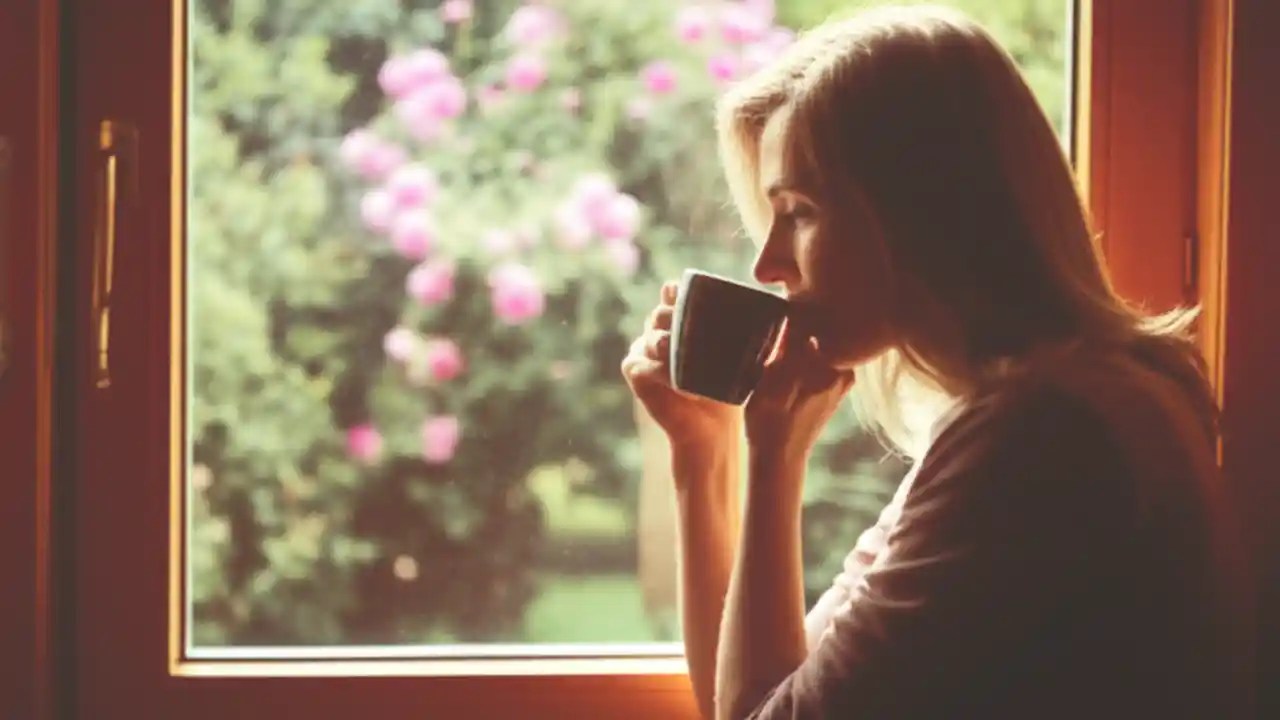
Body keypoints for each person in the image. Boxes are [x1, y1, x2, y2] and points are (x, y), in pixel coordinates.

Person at [620, 5, 1253, 719]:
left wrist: (775, 459)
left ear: (914, 207)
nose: (768, 267)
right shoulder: (1031, 410)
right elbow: (751, 692)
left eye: (797, 213)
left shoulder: (1039, 438)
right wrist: (700, 453)